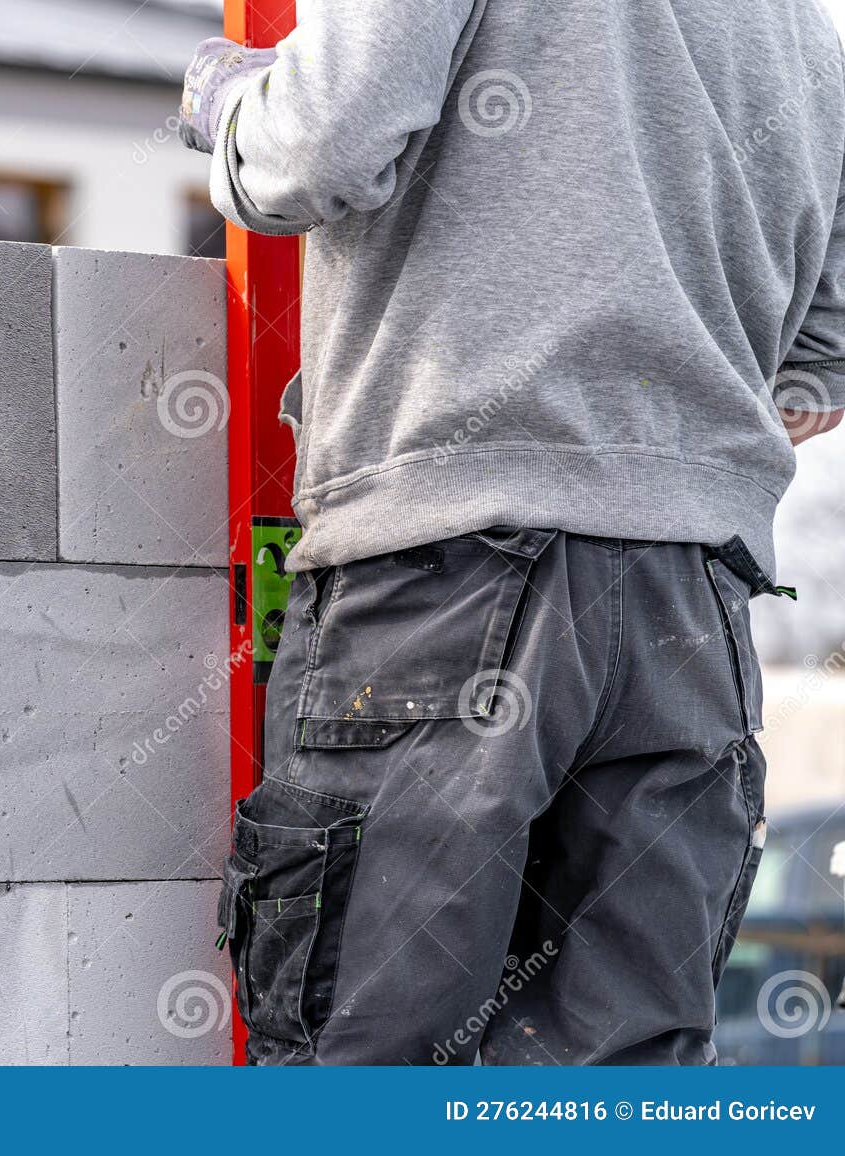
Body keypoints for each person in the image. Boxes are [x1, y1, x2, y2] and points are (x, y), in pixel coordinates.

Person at [181, 0, 845, 1065]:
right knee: (616, 1078)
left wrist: (225, 103)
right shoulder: (803, 31)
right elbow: (818, 369)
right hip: (695, 608)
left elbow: (309, 153)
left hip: (445, 566)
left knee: (370, 1057)